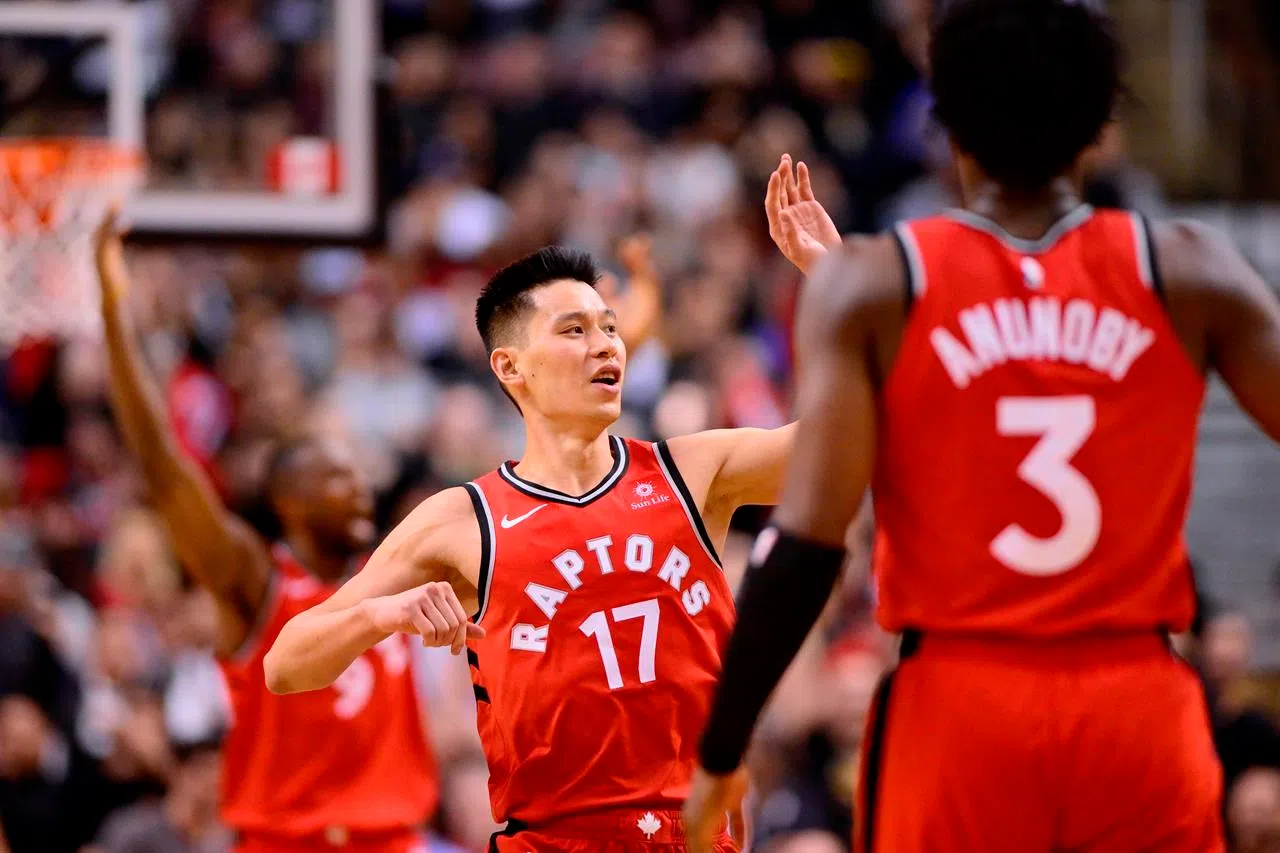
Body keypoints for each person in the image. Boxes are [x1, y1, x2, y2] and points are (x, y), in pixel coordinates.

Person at [684, 1, 1280, 852]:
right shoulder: (1189, 269)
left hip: (960, 703)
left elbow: (806, 548)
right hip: (1135, 701)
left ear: (948, 123)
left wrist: (721, 748)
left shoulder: (874, 286)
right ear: (1100, 125)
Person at [264, 164, 810, 849]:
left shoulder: (691, 471)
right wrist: (383, 615)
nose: (606, 344)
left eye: (610, 328)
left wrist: (832, 274)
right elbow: (284, 664)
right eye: (574, 330)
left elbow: (855, 435)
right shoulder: (464, 520)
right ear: (510, 367)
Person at [93, 215, 440, 853]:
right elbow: (163, 469)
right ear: (289, 502)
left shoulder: (396, 570)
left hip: (394, 840)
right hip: (285, 842)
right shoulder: (255, 581)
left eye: (359, 475)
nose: (359, 488)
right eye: (336, 478)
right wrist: (116, 317)